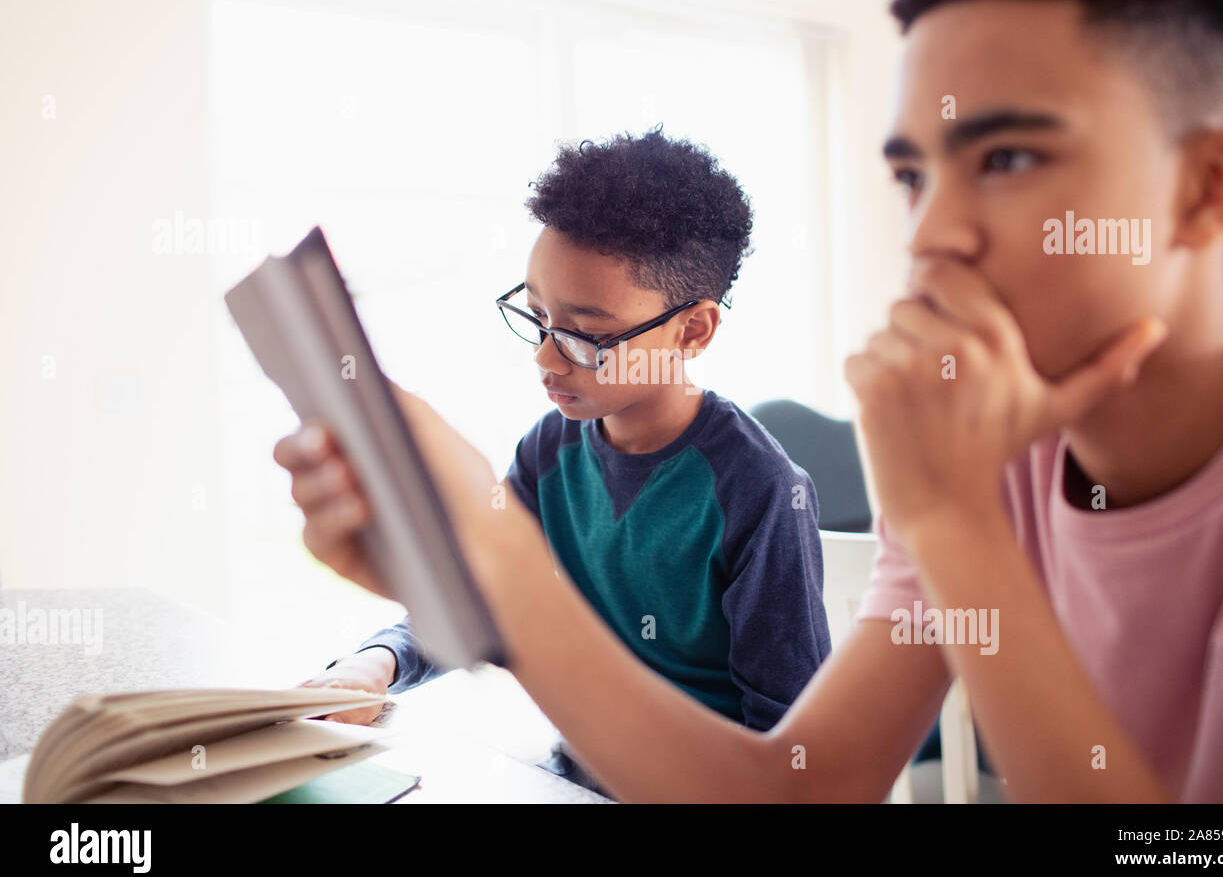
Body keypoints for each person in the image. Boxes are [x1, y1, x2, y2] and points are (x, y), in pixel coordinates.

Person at [278, 0, 1223, 801]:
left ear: (1215, 182)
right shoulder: (979, 460)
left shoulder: (953, 480)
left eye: (1007, 159)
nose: (930, 232)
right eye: (912, 174)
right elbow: (793, 789)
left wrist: (953, 525)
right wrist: (479, 558)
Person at [283, 128, 831, 792]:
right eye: (538, 318)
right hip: (574, 781)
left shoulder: (761, 492)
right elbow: (476, 592)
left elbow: (793, 750)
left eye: (583, 335)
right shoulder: (551, 449)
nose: (545, 357)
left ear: (693, 331)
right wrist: (377, 663)